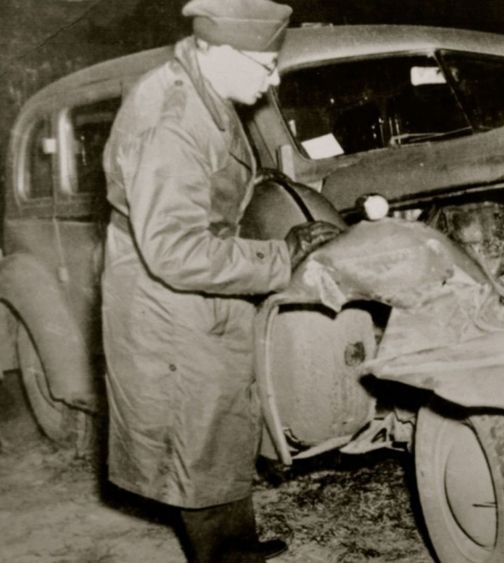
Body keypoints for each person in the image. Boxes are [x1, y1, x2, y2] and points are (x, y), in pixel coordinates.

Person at [100, 0, 341, 560]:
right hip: (171, 304)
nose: (273, 76)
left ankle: (238, 547)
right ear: (218, 51)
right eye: (264, 64)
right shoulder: (172, 119)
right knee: (198, 437)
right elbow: (175, 251)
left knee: (218, 428)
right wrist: (279, 258)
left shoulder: (205, 89)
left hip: (194, 294)